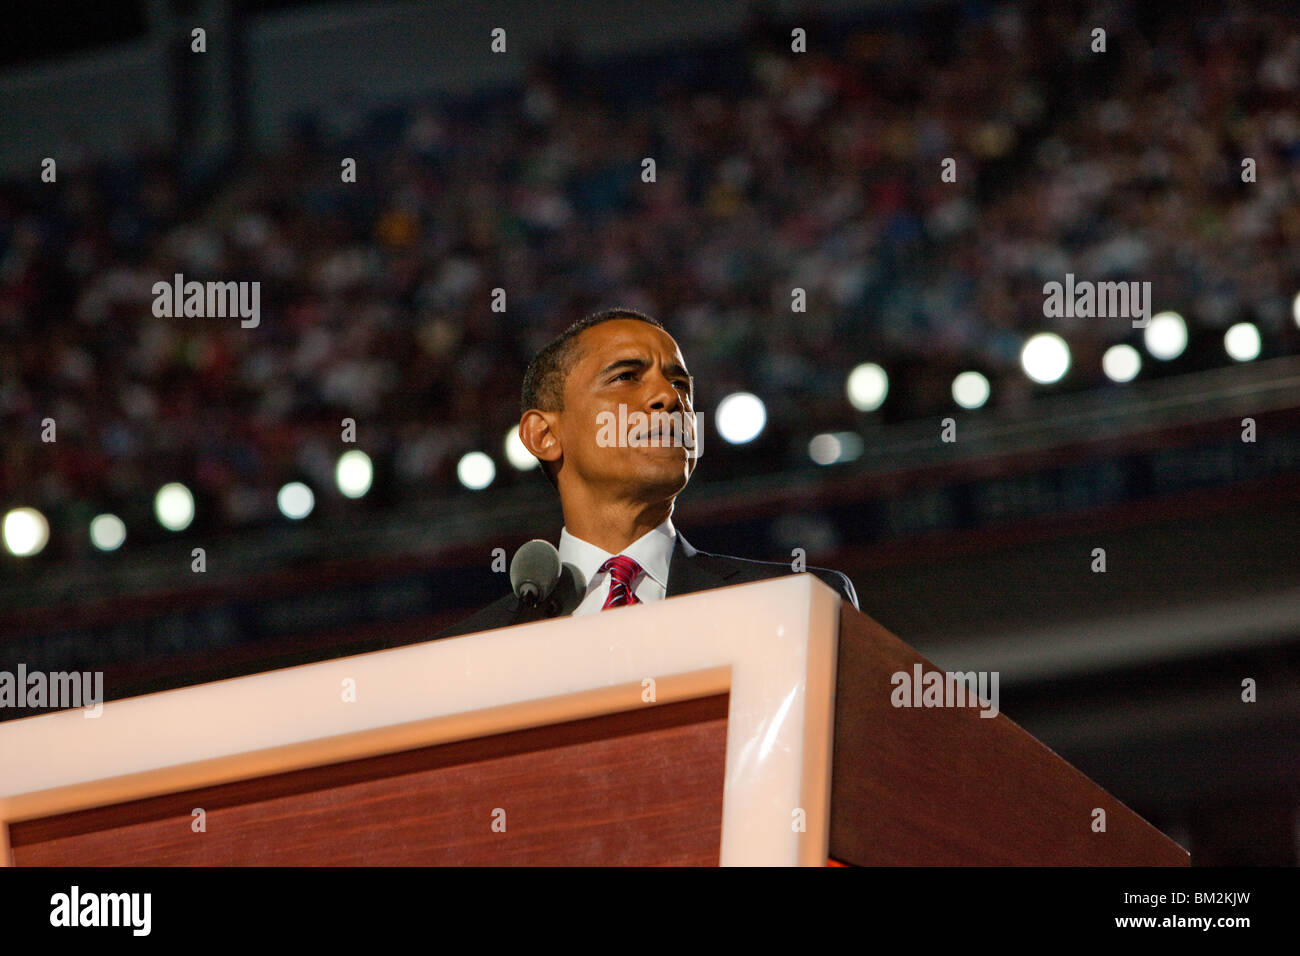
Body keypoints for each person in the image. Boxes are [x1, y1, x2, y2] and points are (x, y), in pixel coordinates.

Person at [436, 308, 858, 638]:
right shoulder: (469, 654)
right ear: (543, 434)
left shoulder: (802, 605)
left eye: (681, 385)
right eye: (625, 377)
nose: (668, 398)